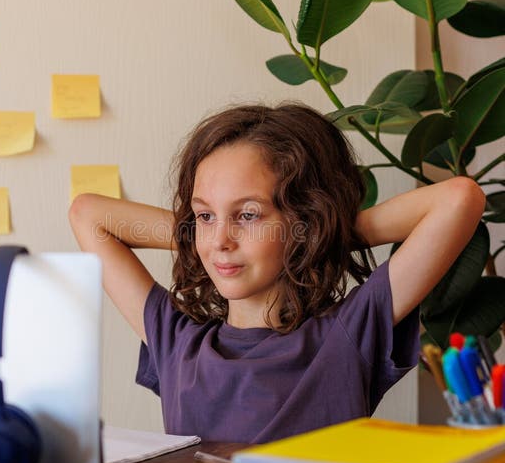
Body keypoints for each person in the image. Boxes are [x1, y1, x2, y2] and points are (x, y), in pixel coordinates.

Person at [69, 102, 485, 443]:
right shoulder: (175, 341)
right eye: (205, 215)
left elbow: (459, 199)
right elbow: (88, 214)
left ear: (305, 218)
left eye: (248, 215)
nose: (221, 241)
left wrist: (318, 234)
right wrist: (205, 235)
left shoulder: (346, 334)